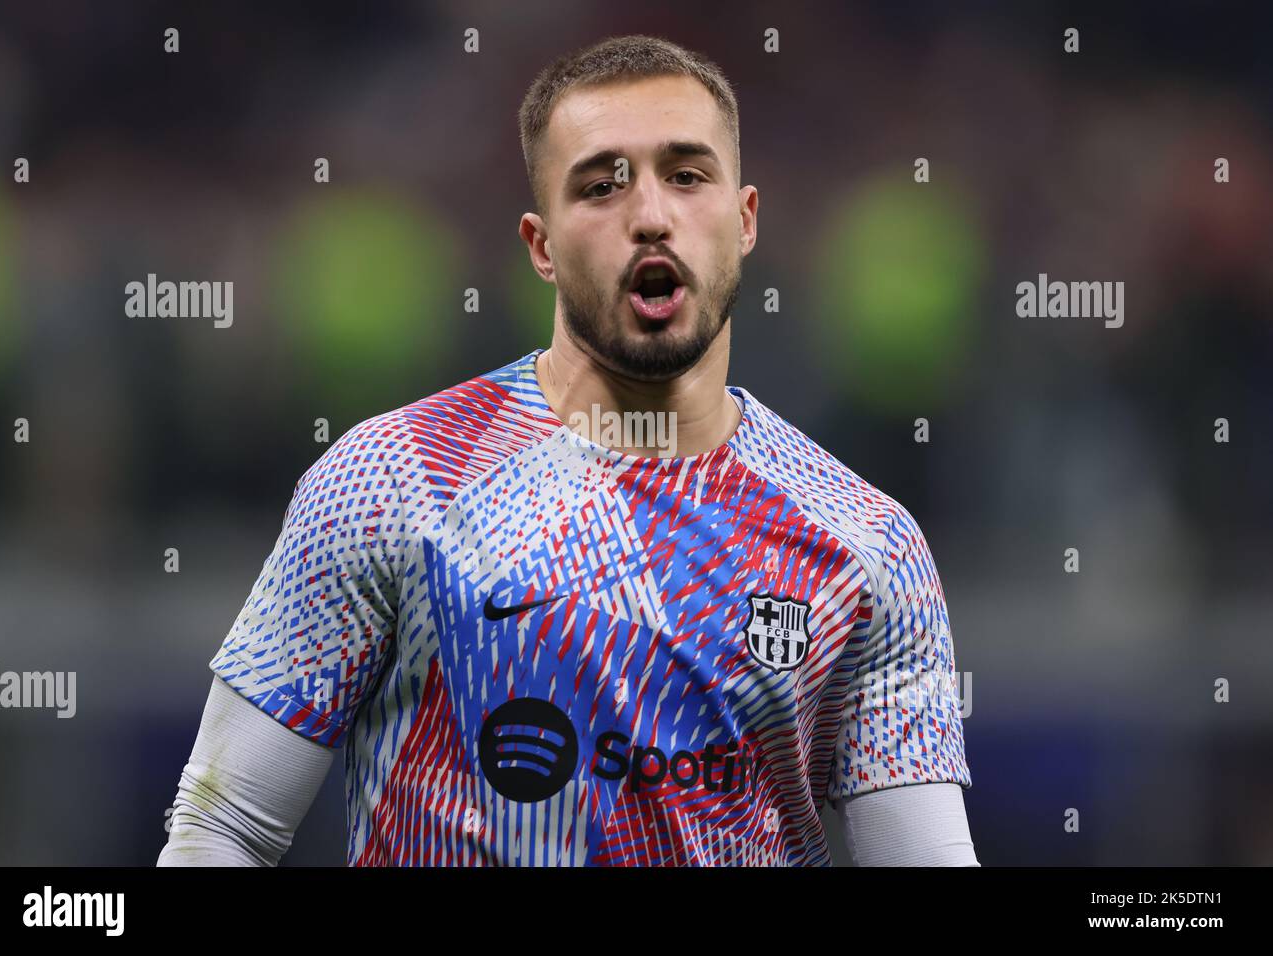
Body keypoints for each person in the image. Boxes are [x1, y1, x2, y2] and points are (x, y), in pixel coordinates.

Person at [159, 34, 977, 867]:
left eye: (688, 176)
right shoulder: (392, 479)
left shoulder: (866, 544)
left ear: (744, 220)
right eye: (600, 185)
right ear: (540, 245)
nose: (652, 216)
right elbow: (225, 826)